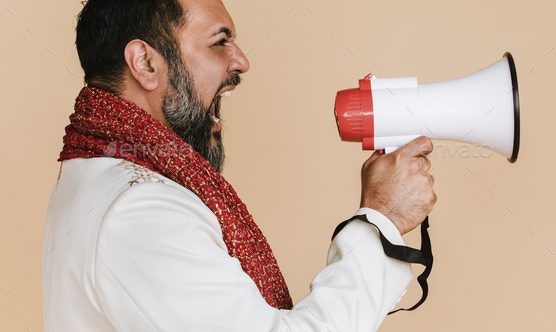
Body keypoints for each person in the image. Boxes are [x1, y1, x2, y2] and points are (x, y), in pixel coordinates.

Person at [42, 0, 436, 330]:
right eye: (219, 42)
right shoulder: (139, 212)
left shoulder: (98, 168)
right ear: (145, 64)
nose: (241, 61)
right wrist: (381, 220)